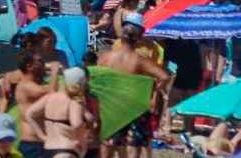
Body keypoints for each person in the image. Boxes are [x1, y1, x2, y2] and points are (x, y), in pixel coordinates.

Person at [99, 12, 172, 158]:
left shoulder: (105, 57)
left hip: (111, 105)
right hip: (133, 107)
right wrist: (154, 91)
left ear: (122, 34)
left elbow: (99, 80)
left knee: (108, 145)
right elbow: (164, 76)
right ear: (138, 37)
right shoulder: (138, 60)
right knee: (132, 148)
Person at [24, 68, 93, 158]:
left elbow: (29, 114)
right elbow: (76, 124)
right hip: (66, 149)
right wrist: (81, 141)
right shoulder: (74, 100)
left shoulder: (50, 97)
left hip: (48, 148)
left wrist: (42, 136)